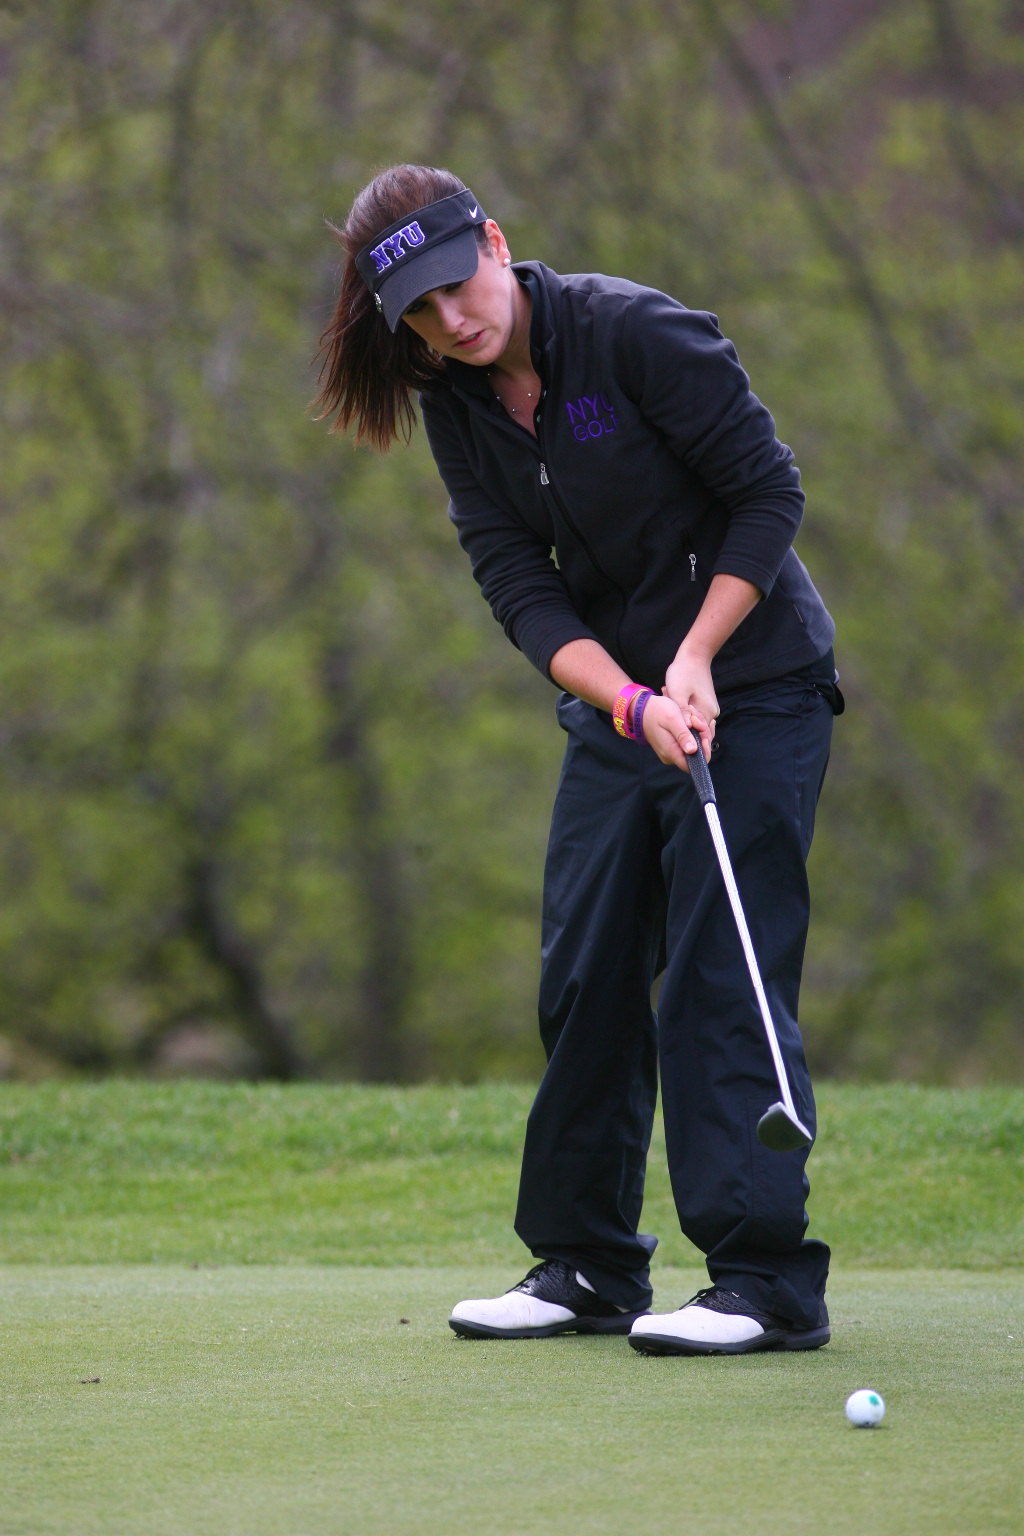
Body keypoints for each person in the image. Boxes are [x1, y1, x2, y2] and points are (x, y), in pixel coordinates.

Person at [315, 164, 843, 1357]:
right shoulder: (456, 404)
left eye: (457, 285)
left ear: (495, 243)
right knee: (586, 969)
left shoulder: (633, 333)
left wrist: (696, 658)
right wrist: (627, 696)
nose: (451, 320)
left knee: (718, 973)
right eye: (420, 313)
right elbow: (518, 584)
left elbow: (768, 493)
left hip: (756, 688)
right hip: (622, 706)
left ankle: (763, 1280)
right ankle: (588, 1264)